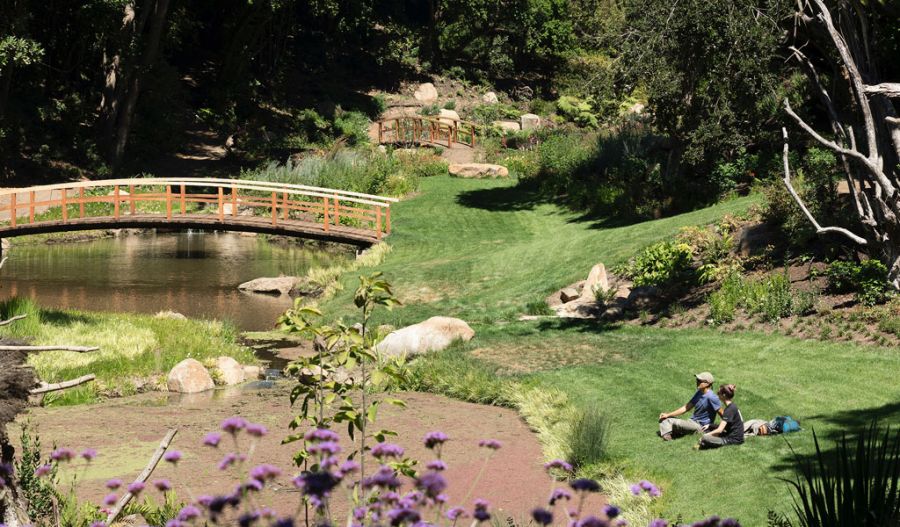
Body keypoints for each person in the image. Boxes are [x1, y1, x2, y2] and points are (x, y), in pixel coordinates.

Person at [658, 372, 722, 441]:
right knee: (664, 418)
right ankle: (676, 433)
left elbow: (724, 416)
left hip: (700, 427)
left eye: (699, 381)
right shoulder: (699, 392)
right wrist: (668, 414)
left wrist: (717, 427)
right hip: (691, 422)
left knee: (668, 421)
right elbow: (686, 407)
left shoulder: (712, 397)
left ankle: (669, 438)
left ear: (707, 383)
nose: (697, 382)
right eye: (697, 380)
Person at [698, 384, 744, 449]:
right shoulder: (732, 406)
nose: (717, 394)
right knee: (709, 430)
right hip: (732, 436)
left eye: (718, 393)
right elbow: (726, 426)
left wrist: (704, 436)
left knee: (706, 438)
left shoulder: (729, 410)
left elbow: (720, 430)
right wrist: (710, 425)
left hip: (733, 440)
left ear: (724, 395)